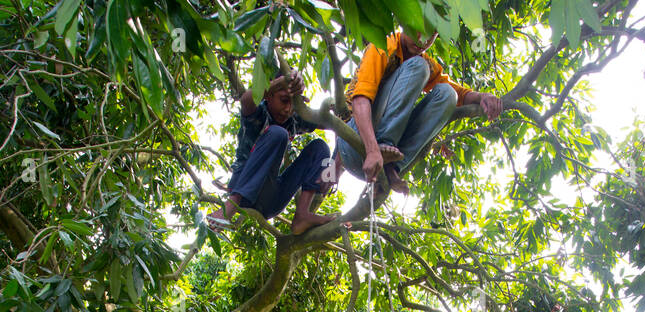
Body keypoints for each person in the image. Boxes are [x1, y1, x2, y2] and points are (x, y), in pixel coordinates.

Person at [337, 28, 504, 196]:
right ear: (404, 22)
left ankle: (393, 166)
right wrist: (372, 150)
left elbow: (459, 94)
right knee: (418, 66)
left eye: (430, 36)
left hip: (379, 162)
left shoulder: (426, 63)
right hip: (355, 144)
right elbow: (360, 101)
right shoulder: (384, 45)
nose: (423, 41)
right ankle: (383, 147)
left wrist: (483, 96)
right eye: (419, 30)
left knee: (447, 94)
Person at [209, 71, 340, 235]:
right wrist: (279, 82)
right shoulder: (257, 112)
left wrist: (335, 164)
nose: (287, 109)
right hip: (243, 188)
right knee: (278, 134)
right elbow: (246, 101)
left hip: (270, 200)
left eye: (293, 104)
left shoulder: (293, 118)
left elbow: (337, 124)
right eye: (284, 100)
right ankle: (231, 205)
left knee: (320, 147)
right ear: (268, 96)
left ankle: (302, 216)